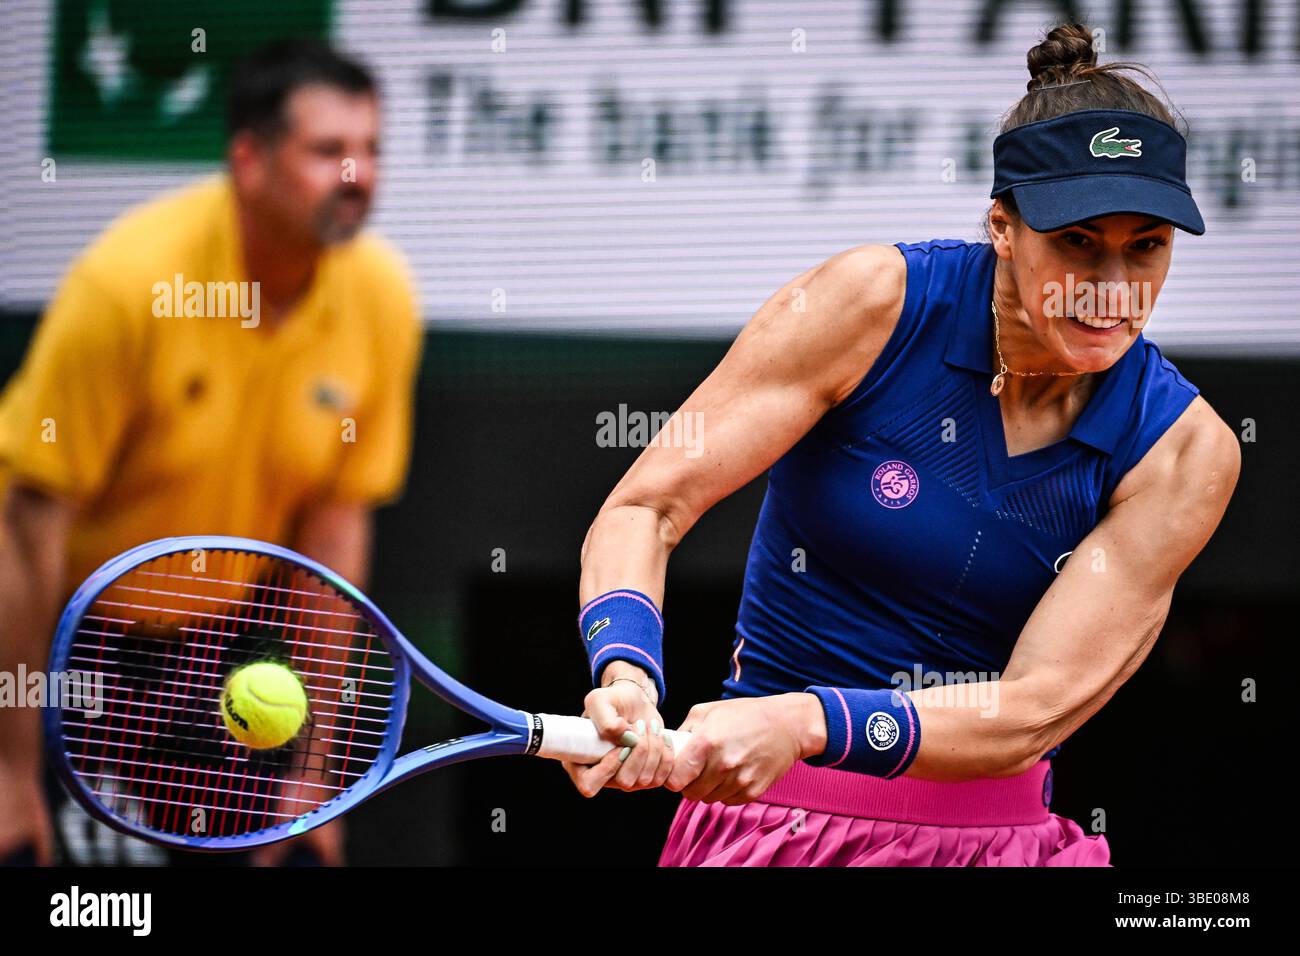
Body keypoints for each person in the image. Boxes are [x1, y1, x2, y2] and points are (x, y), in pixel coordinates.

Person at [561, 22, 1240, 866]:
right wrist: (627, 674)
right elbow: (646, 505)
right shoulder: (868, 303)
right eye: (1077, 241)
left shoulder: (1185, 453)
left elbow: (1033, 709)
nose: (1108, 289)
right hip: (775, 834)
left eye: (1146, 248)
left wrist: (810, 722)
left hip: (1003, 847)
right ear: (1002, 225)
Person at [0, 38, 423, 867]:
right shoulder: (127, 285)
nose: (359, 174)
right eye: (328, 150)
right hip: (65, 649)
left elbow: (332, 541)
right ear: (248, 161)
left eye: (371, 149)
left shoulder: (381, 297)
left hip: (226, 659)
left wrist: (310, 772)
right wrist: (10, 765)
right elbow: (28, 524)